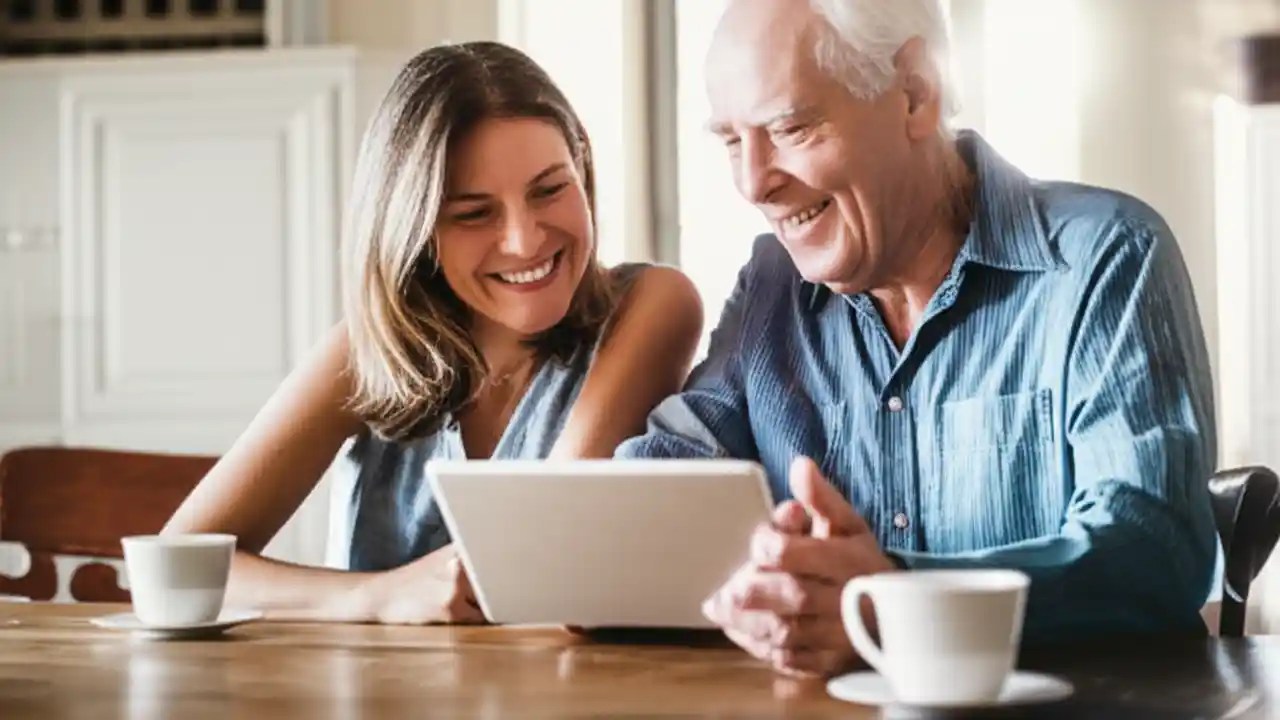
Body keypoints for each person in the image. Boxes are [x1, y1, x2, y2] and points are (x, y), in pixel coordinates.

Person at [618, 0, 1218, 677]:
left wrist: (893, 600)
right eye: (731, 140)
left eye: (789, 127)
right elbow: (664, 478)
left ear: (914, 93)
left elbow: (1152, 549)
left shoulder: (1106, 255)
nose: (753, 181)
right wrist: (550, 561)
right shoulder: (771, 287)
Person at [164, 41, 704, 625]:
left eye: (550, 189)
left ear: (583, 170)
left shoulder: (652, 306)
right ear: (417, 231)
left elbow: (545, 564)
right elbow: (175, 569)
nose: (525, 241)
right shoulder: (366, 352)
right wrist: (377, 596)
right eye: (473, 213)